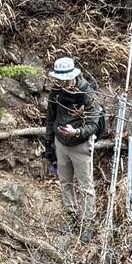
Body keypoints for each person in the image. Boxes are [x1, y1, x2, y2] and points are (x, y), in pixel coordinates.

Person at [45, 56, 104, 244]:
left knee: (86, 186)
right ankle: (71, 215)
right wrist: (49, 144)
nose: (64, 84)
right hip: (61, 142)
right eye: (60, 81)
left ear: (74, 76)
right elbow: (50, 118)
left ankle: (88, 223)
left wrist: (77, 132)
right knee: (65, 181)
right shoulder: (55, 91)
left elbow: (94, 125)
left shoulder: (88, 93)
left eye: (67, 80)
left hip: (81, 145)